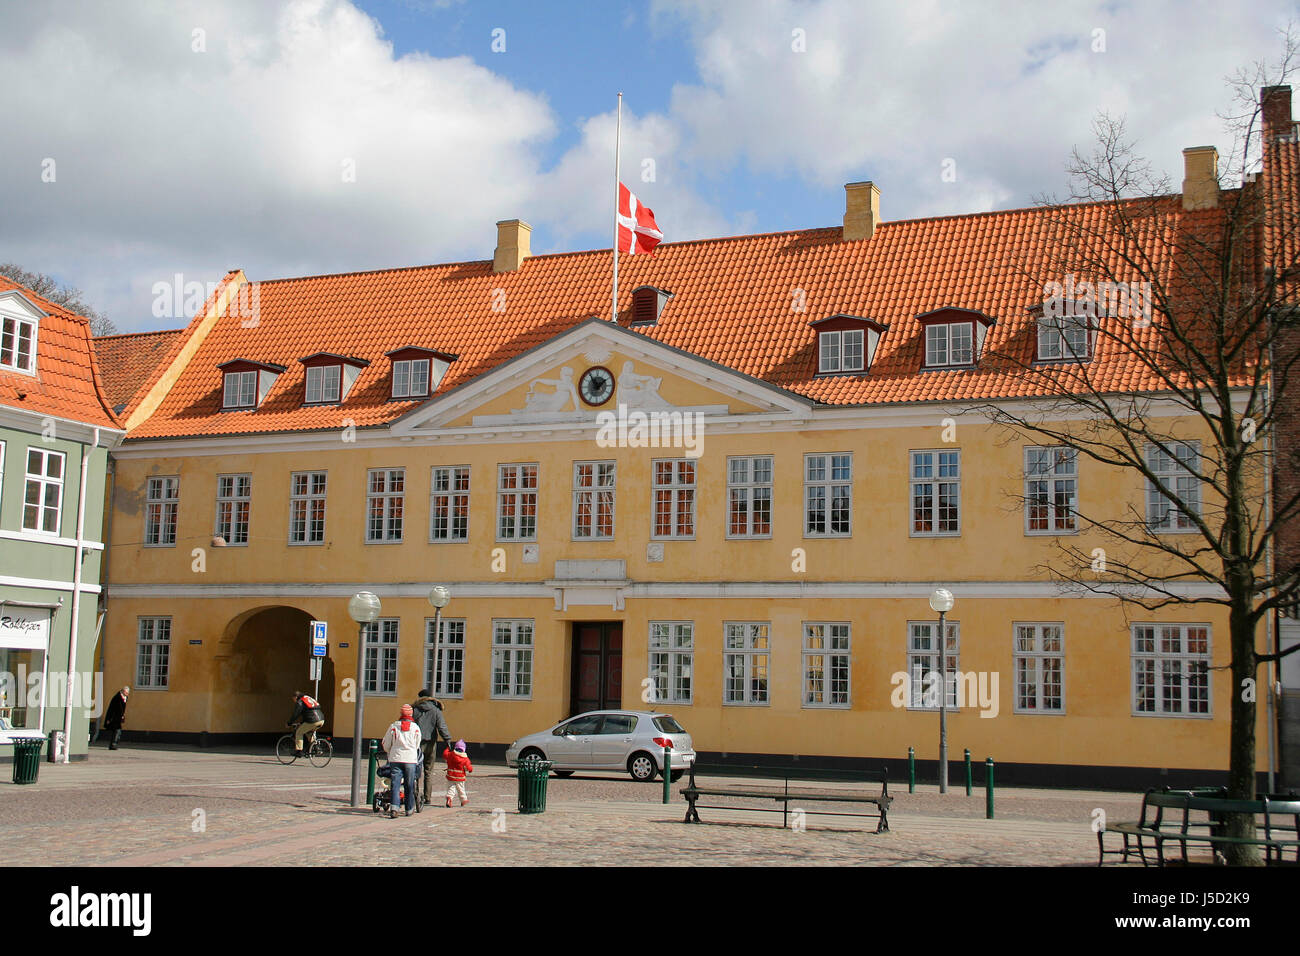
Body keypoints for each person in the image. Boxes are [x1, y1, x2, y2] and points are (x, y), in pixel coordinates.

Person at [381, 704, 422, 818]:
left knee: (395, 784)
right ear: (411, 714)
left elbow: (386, 743)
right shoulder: (415, 728)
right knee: (409, 784)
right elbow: (417, 744)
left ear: (401, 714)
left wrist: (390, 751)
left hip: (396, 759)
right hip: (410, 759)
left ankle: (394, 808)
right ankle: (409, 808)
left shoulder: (394, 726)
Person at [412, 689, 452, 804]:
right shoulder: (435, 710)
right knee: (428, 771)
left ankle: (415, 794)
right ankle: (427, 797)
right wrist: (448, 740)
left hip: (417, 743)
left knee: (415, 770)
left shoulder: (415, 709)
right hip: (431, 743)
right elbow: (441, 726)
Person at [286, 691, 324, 759]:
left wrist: (289, 723)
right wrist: (301, 723)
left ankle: (299, 751)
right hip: (321, 720)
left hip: (313, 721)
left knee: (299, 732)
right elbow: (308, 712)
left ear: (296, 697)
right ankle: (316, 748)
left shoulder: (300, 702)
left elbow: (296, 714)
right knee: (308, 732)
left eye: (293, 699)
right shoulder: (307, 698)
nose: (294, 701)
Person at [443, 739, 473, 808]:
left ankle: (449, 798)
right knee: (461, 789)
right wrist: (470, 770)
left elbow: (445, 754)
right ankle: (463, 800)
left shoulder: (450, 755)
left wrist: (447, 748)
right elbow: (469, 767)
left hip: (450, 775)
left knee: (451, 788)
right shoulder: (465, 758)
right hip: (460, 777)